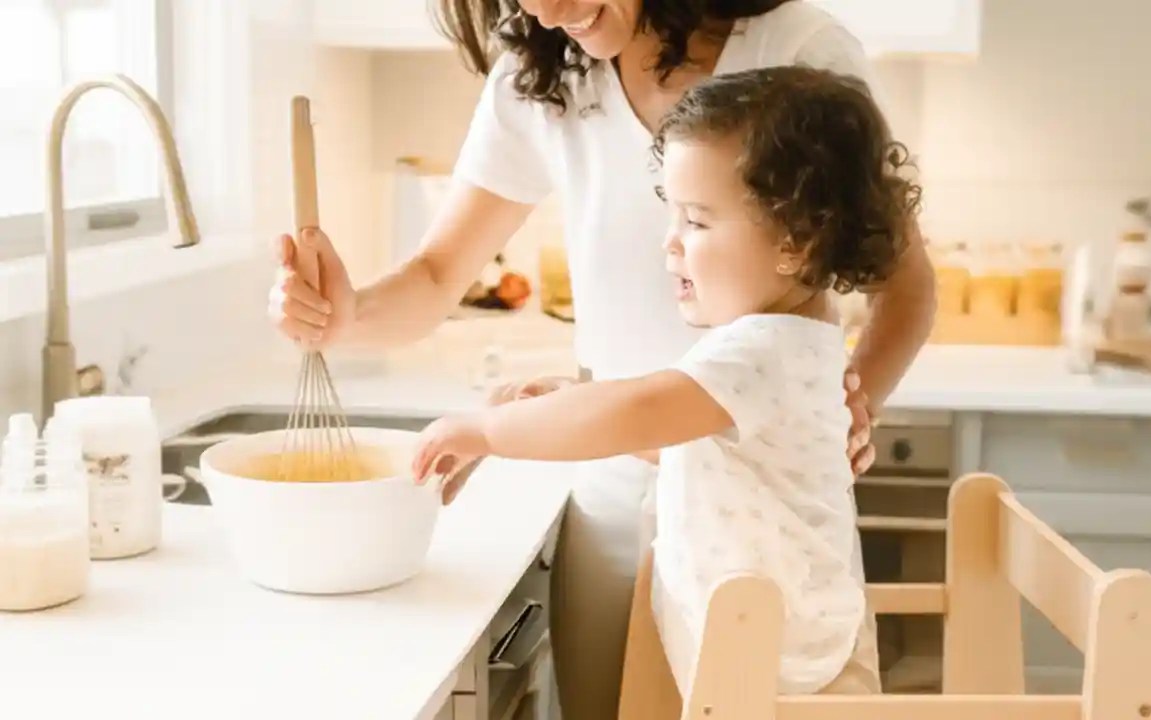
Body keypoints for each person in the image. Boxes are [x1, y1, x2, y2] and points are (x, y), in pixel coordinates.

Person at [267, 1, 937, 716]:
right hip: (624, 475)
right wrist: (345, 316)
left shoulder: (799, 51)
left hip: (747, 517)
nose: (545, 10)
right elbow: (437, 277)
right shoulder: (540, 71)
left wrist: (825, 421)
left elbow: (904, 287)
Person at [412, 64, 920, 698]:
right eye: (672, 215)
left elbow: (639, 411)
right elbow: (695, 448)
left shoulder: (761, 352)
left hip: (762, 662)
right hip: (763, 647)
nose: (670, 245)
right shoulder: (791, 344)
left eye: (697, 222)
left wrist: (485, 430)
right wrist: (573, 400)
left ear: (795, 242)